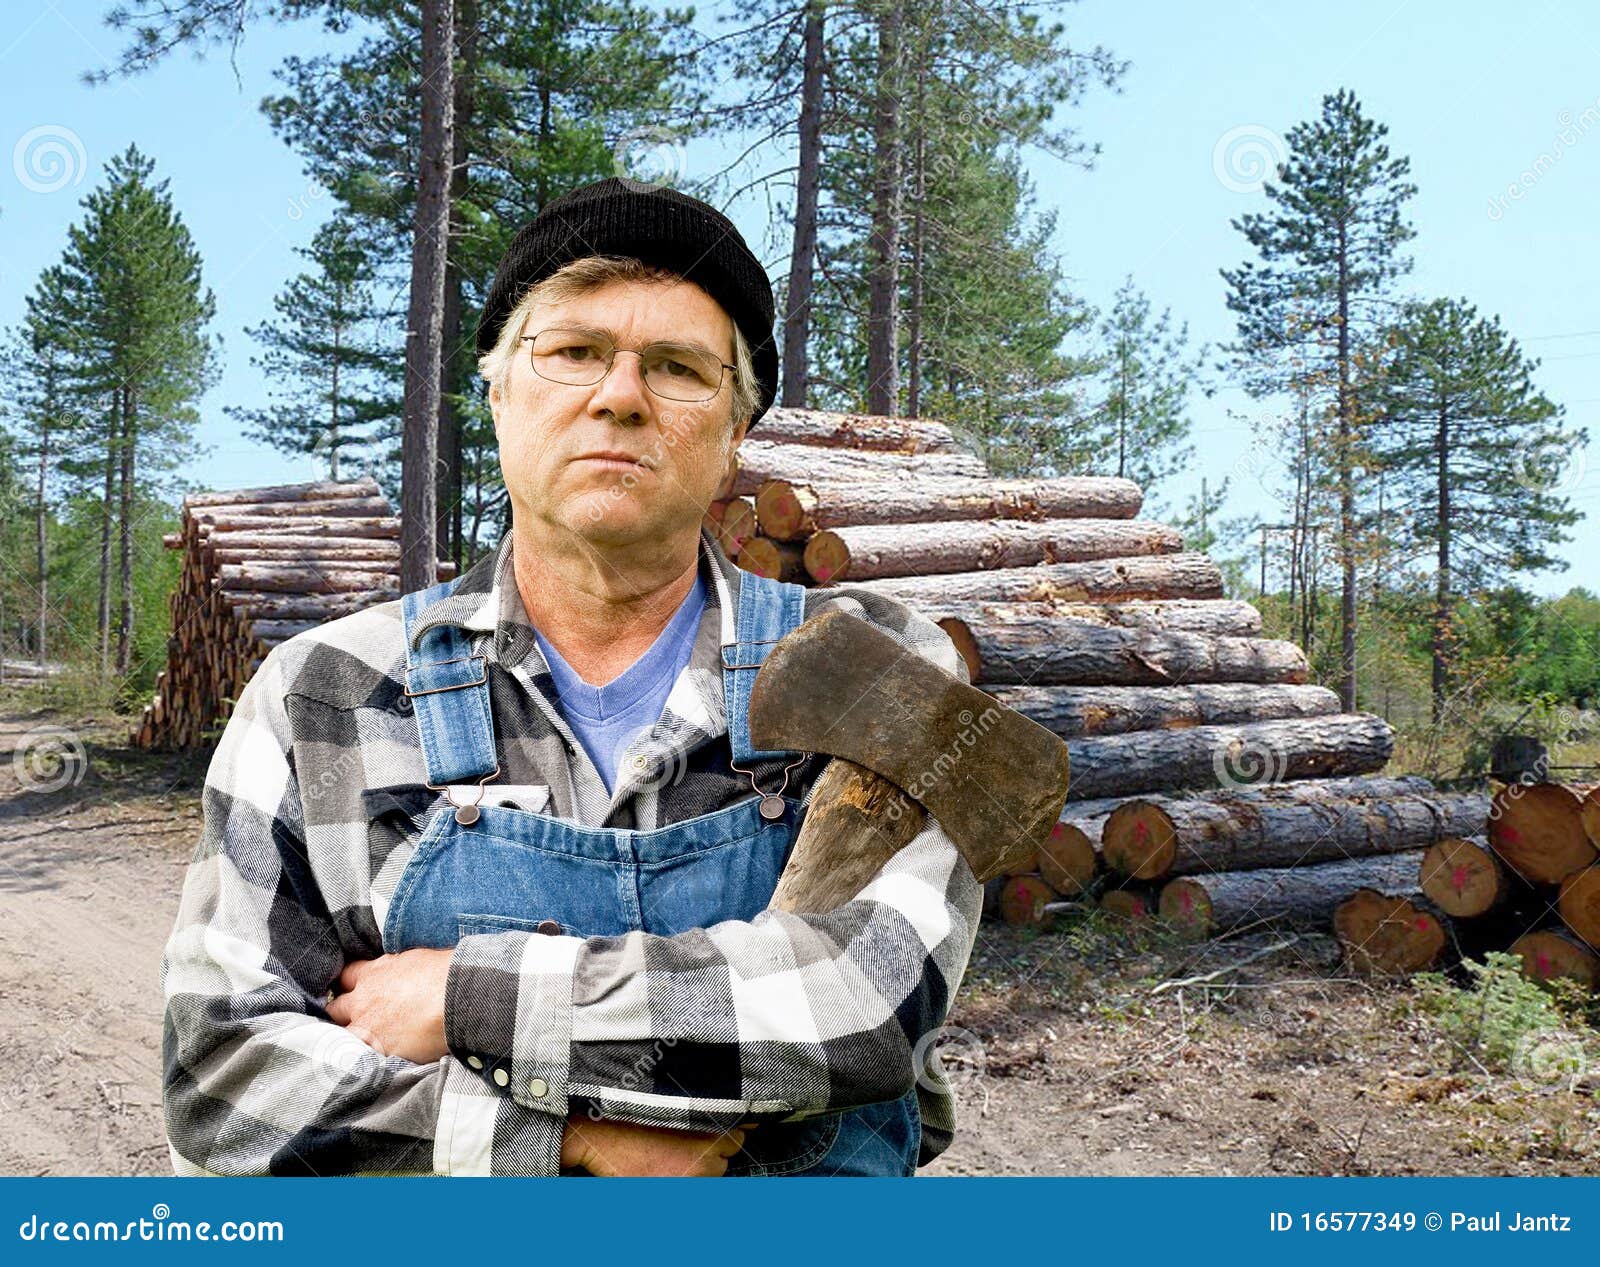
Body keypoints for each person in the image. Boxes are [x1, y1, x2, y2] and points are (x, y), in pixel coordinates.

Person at [159, 177, 983, 1177]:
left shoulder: (877, 670)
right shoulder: (324, 694)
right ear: (498, 393)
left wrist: (471, 993)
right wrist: (565, 1146)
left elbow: (869, 1001)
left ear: (733, 436)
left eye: (678, 367)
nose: (620, 394)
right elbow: (222, 1077)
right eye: (574, 351)